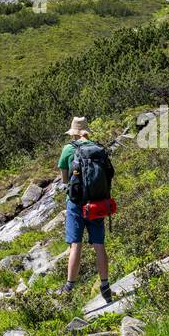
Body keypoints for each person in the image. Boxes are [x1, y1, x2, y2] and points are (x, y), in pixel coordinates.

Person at [57, 116, 112, 301]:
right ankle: (105, 286)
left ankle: (69, 287)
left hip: (76, 203)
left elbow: (65, 180)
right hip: (97, 203)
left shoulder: (68, 149)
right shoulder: (98, 148)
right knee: (99, 245)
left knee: (76, 245)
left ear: (73, 133)